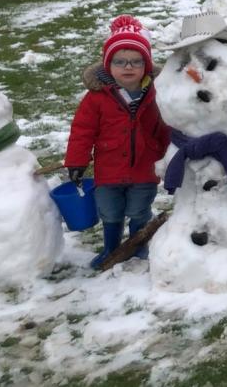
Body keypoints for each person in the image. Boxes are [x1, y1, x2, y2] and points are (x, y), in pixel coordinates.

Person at [65, 15, 170, 268]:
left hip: (144, 168)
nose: (128, 67)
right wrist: (76, 161)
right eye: (120, 61)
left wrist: (170, 157)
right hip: (108, 169)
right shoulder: (97, 97)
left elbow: (167, 127)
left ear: (146, 65)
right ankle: (111, 249)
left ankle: (138, 247)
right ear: (107, 65)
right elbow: (82, 130)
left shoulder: (159, 94)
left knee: (139, 211)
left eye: (136, 61)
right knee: (110, 213)